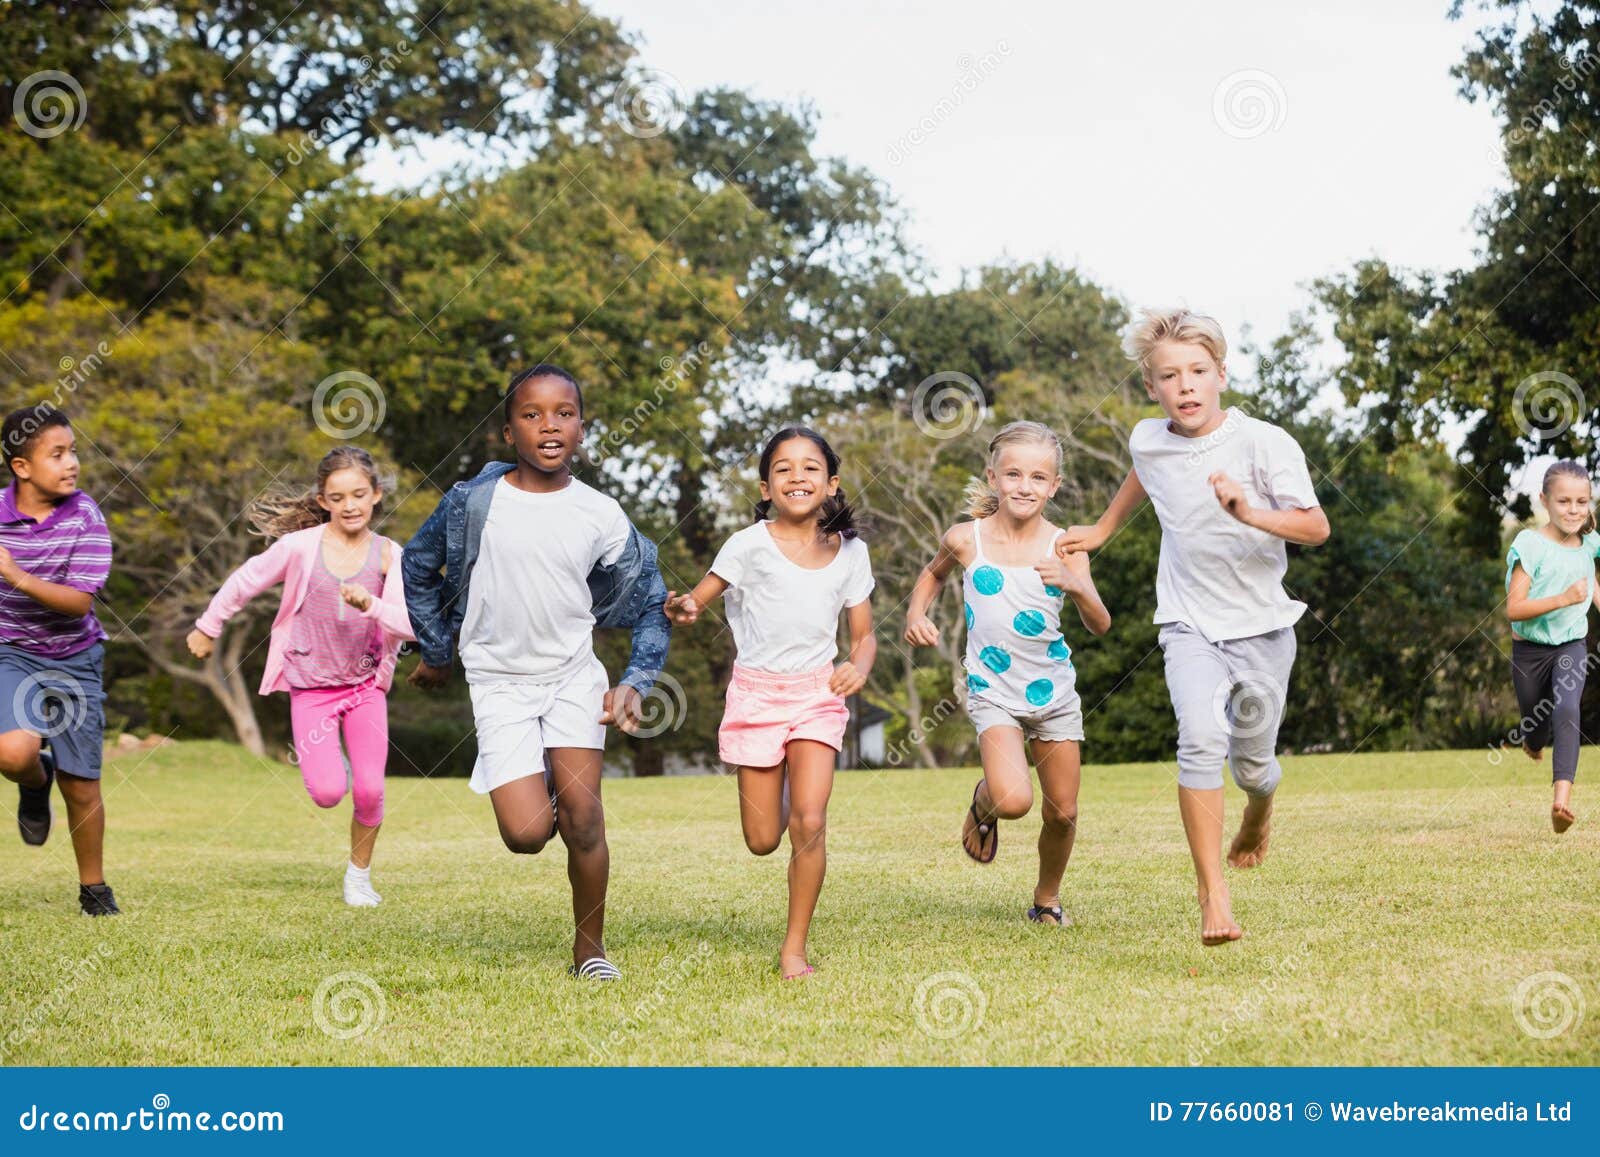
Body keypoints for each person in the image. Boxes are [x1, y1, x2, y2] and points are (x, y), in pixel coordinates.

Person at [1061, 309, 1330, 945]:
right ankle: (1214, 896)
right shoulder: (1148, 438)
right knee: (1200, 739)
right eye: (1168, 376)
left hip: (1262, 629)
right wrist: (1101, 530)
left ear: (1221, 374)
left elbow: (1316, 527)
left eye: (1197, 372)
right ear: (1151, 387)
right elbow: (1144, 475)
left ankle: (1261, 809)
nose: (1184, 386)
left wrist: (1249, 511)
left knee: (1253, 767)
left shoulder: (1264, 442)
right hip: (1188, 623)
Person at [402, 365, 671, 981]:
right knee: (526, 834)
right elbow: (418, 569)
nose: (549, 425)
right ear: (507, 431)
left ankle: (590, 951)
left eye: (564, 413)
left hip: (573, 677)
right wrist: (438, 653)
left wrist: (635, 681)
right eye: (531, 414)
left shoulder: (599, 512)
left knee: (585, 820)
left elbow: (653, 599)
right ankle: (550, 781)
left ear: (581, 427)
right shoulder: (471, 503)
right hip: (498, 683)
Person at [665, 426, 876, 979]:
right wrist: (682, 607)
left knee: (810, 819)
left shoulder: (851, 552)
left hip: (816, 695)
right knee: (762, 839)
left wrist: (859, 663)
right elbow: (697, 600)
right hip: (757, 696)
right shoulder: (747, 544)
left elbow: (864, 633)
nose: (797, 477)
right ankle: (780, 774)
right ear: (765, 487)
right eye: (783, 468)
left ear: (831, 483)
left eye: (810, 468)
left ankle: (794, 949)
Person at [905, 421, 1109, 927]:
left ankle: (1046, 898)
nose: (1025, 486)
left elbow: (1100, 623)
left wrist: (1077, 586)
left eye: (1039, 478)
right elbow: (932, 574)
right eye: (1014, 474)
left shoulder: (1067, 547)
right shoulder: (965, 538)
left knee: (1063, 811)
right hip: (992, 690)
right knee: (1015, 799)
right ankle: (985, 800)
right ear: (993, 477)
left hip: (1054, 691)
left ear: (1054, 486)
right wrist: (915, 614)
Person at [189, 446, 414, 906]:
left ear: (375, 496)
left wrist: (369, 604)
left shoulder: (390, 556)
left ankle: (358, 876)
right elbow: (245, 580)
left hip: (366, 687)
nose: (349, 505)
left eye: (358, 494)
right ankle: (335, 764)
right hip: (311, 688)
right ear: (323, 500)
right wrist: (208, 625)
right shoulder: (299, 548)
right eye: (338, 496)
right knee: (330, 792)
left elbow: (411, 625)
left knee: (370, 791)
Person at [0, 405, 119, 915]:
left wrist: (16, 574)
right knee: (13, 755)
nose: (72, 463)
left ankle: (93, 888)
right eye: (57, 454)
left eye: (73, 451)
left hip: (75, 658)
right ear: (21, 467)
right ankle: (34, 780)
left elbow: (78, 602)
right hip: (12, 652)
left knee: (81, 783)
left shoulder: (86, 515)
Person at [1504, 459, 1600, 834]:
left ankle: (1561, 802)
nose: (1574, 510)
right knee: (1535, 720)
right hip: (1529, 651)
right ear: (1545, 500)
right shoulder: (1529, 544)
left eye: (1582, 501)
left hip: (1570, 646)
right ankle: (1532, 740)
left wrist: (1589, 597)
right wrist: (1563, 598)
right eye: (1564, 502)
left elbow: (1590, 581)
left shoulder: (1590, 542)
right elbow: (1514, 609)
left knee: (1566, 706)